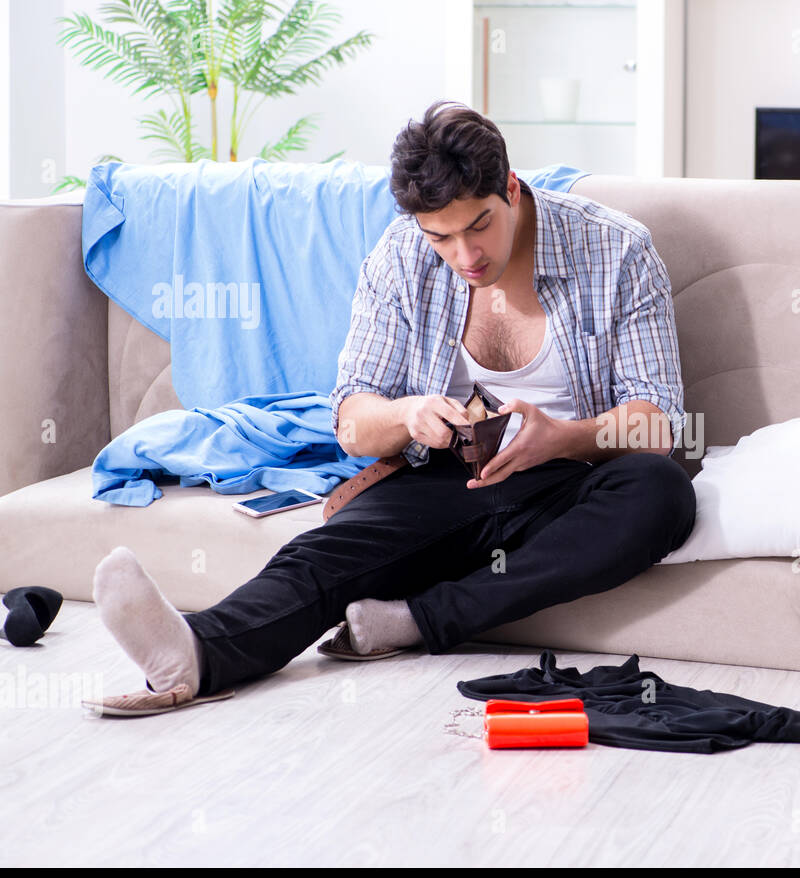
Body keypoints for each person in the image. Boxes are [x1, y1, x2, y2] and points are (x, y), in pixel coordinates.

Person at [91, 100, 696, 709]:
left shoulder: (616, 250)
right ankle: (194, 653)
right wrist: (406, 415)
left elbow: (659, 423)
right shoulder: (400, 255)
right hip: (447, 481)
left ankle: (415, 620)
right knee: (322, 556)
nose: (465, 256)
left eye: (480, 225)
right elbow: (352, 421)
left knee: (660, 492)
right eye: (442, 238)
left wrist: (563, 437)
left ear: (511, 188)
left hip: (573, 485)